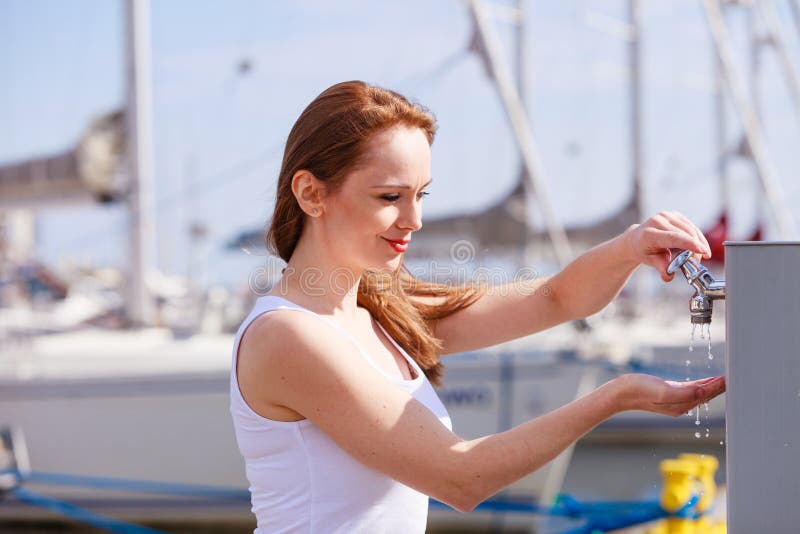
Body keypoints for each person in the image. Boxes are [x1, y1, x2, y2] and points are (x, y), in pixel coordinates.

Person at [229, 80, 726, 533]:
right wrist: (614, 398)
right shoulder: (288, 335)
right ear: (311, 194)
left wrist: (630, 247)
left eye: (421, 195)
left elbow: (557, 298)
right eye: (390, 196)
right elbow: (461, 478)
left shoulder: (380, 306)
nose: (415, 219)